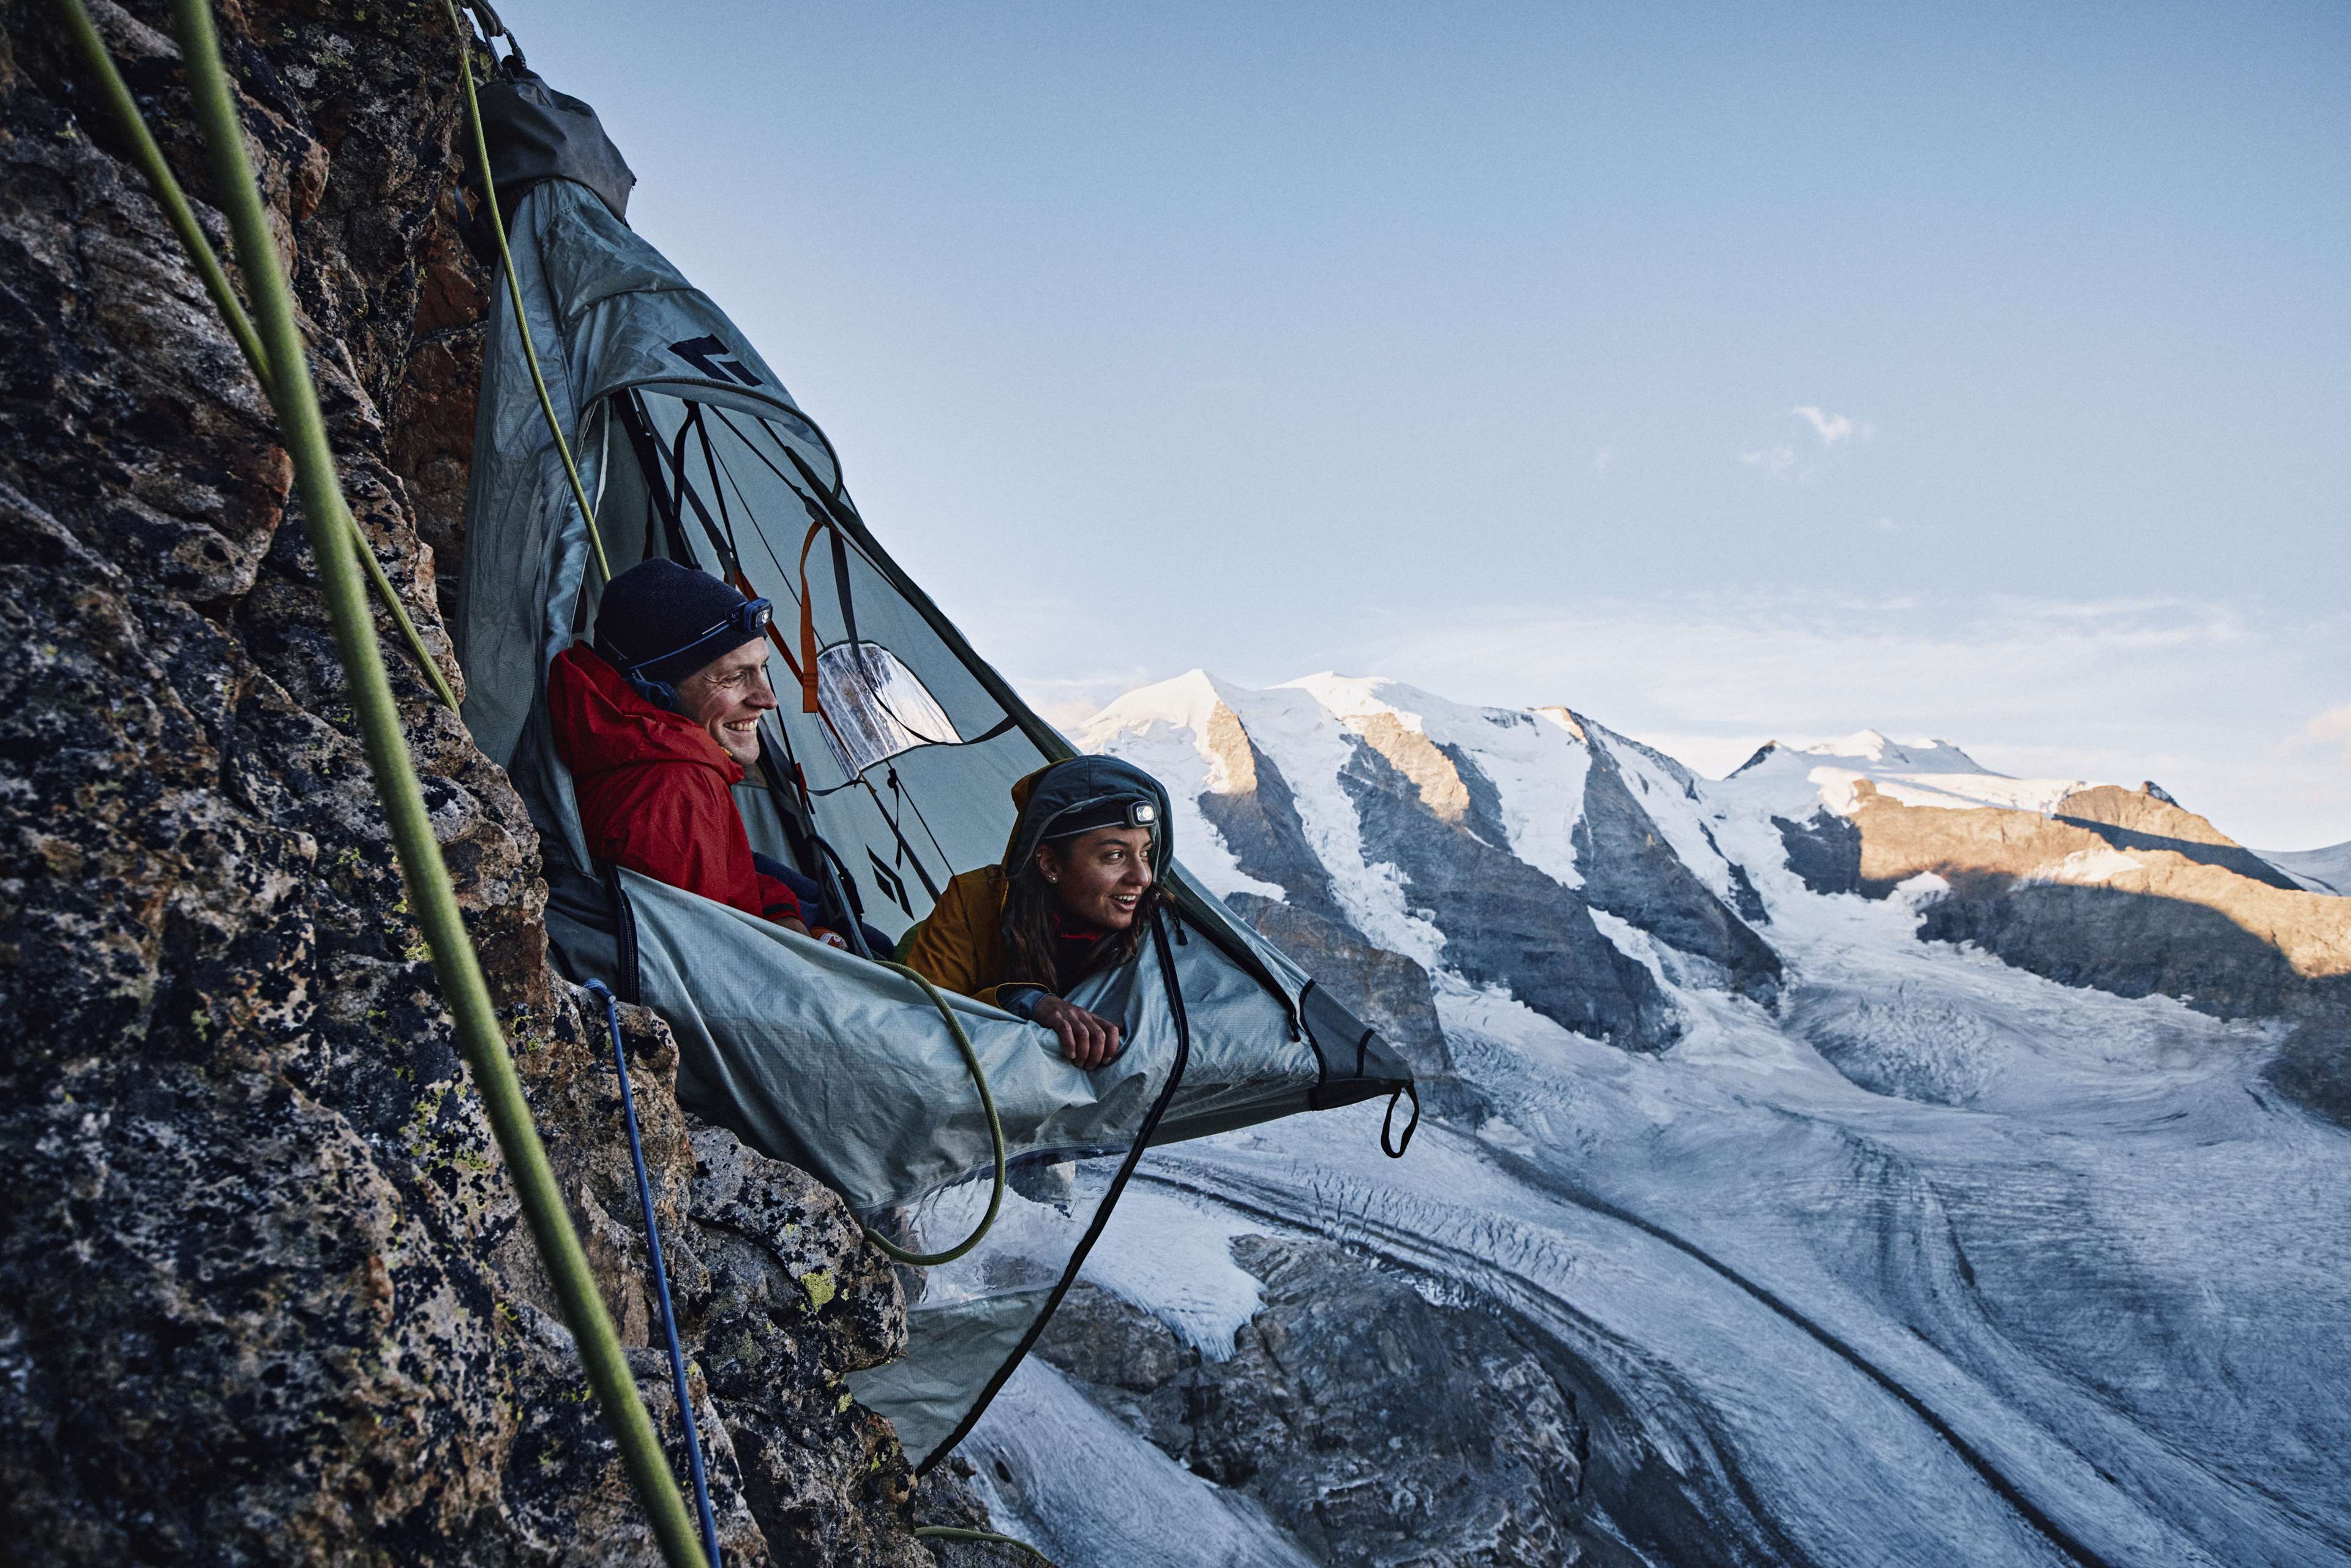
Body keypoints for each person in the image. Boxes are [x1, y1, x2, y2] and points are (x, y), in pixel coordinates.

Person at [547, 558, 845, 943]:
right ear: (655, 690)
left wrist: (779, 911)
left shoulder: (654, 750)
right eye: (734, 677)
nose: (768, 699)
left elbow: (724, 877)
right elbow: (711, 966)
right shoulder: (675, 790)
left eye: (762, 669)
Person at [901, 755, 1169, 1069]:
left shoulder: (1160, 933)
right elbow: (919, 1026)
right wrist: (1025, 1002)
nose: (1142, 877)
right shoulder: (975, 903)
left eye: (1145, 854)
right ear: (1050, 864)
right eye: (1115, 855)